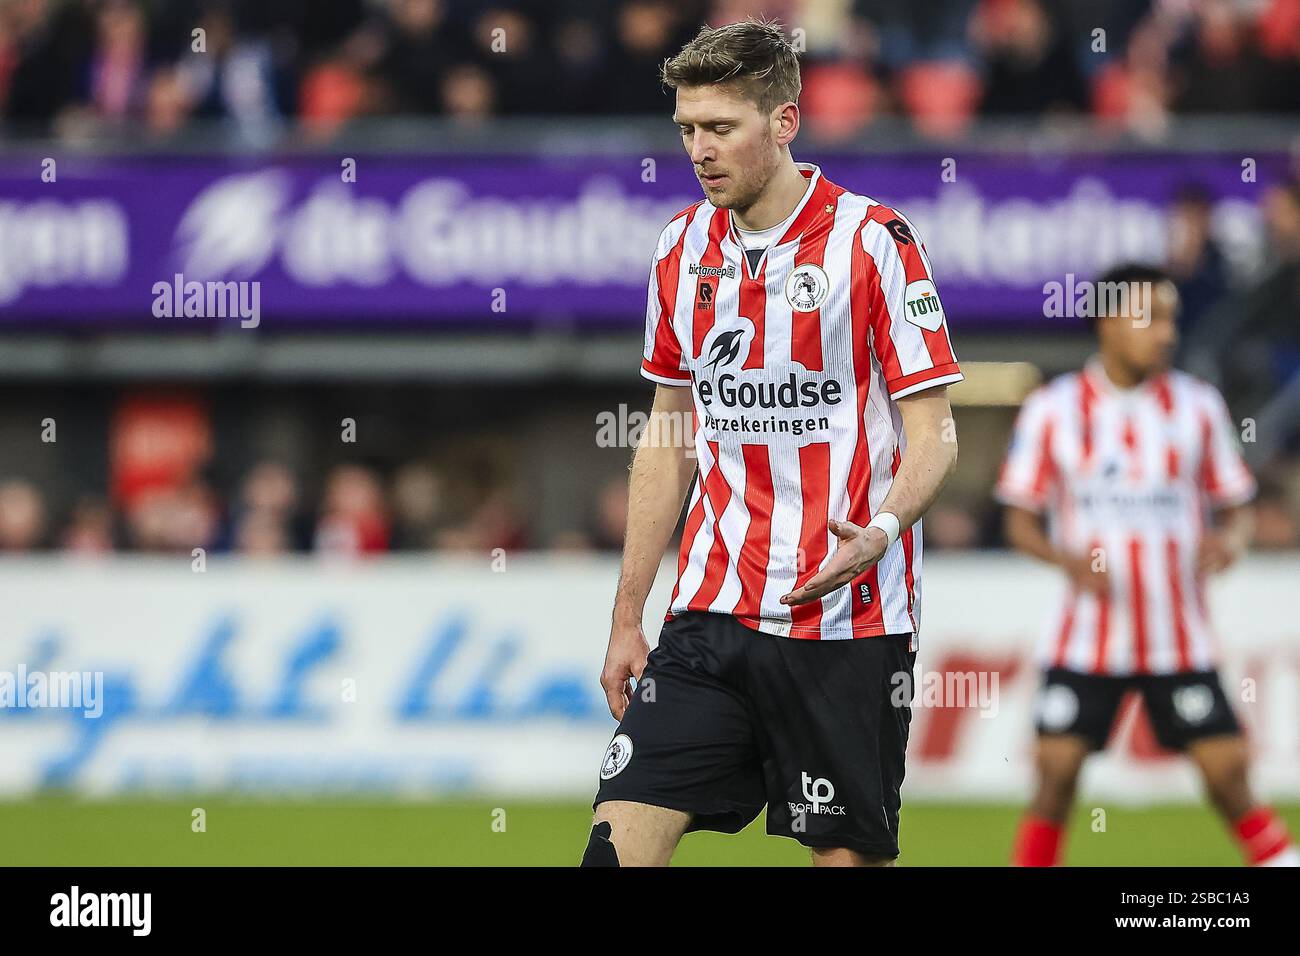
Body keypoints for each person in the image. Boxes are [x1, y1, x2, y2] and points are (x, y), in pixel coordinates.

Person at [582, 18, 963, 867]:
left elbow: (935, 435)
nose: (699, 150)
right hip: (708, 619)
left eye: (721, 127)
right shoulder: (680, 247)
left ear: (785, 121)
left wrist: (880, 532)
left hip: (847, 625)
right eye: (687, 129)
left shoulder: (874, 242)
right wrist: (626, 616)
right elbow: (668, 438)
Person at [998, 263, 1298, 867]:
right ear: (1107, 322)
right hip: (1087, 639)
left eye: (1170, 319)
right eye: (1149, 318)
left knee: (1228, 774)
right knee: (1055, 774)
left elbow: (1236, 506)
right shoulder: (1054, 408)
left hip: (1176, 637)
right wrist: (1066, 560)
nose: (1165, 333)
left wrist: (1232, 539)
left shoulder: (1198, 406)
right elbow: (1019, 520)